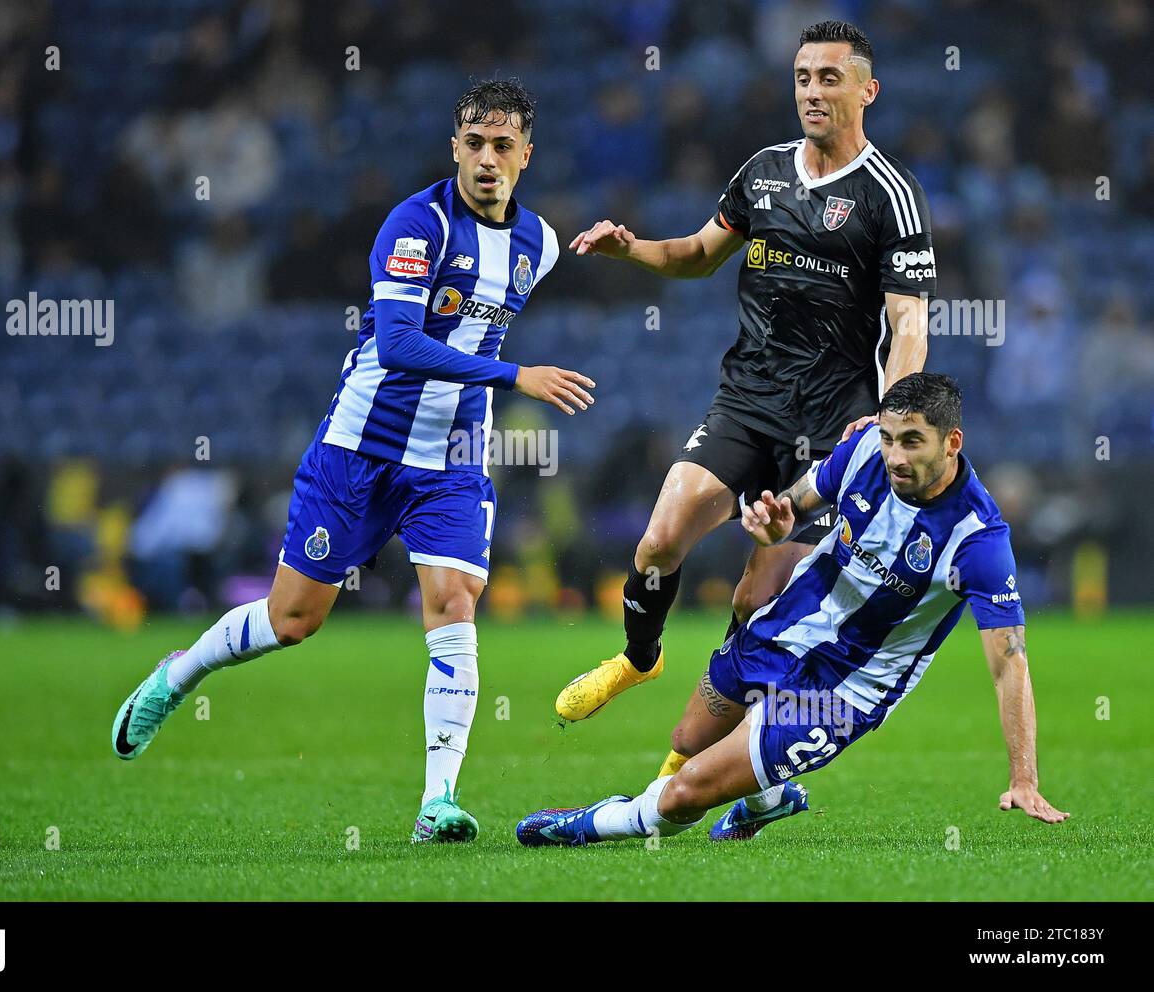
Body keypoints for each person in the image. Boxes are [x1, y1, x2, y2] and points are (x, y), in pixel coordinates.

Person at [112, 78, 596, 844]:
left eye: (503, 145)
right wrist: (517, 377)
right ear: (455, 147)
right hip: (359, 449)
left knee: (454, 604)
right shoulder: (415, 226)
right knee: (292, 620)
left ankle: (437, 802)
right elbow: (400, 347)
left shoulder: (537, 243)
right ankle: (182, 672)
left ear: (526, 155)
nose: (487, 159)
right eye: (474, 142)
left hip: (454, 457)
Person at [555, 22, 934, 768]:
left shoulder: (891, 195)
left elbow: (909, 324)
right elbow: (699, 253)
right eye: (802, 77)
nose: (813, 92)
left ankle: (696, 761)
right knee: (661, 537)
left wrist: (890, 428)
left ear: (868, 89)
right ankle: (639, 658)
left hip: (832, 427)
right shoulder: (762, 173)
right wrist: (633, 248)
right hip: (747, 403)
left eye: (830, 77)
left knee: (759, 600)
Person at [519, 373, 1069, 847]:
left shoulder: (979, 540)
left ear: (952, 442)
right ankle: (771, 796)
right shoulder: (861, 454)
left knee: (685, 793)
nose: (896, 456)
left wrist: (1024, 776)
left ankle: (586, 824)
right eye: (889, 438)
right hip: (785, 628)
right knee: (687, 742)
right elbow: (796, 504)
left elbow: (1009, 664)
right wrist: (777, 524)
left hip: (842, 691)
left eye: (912, 442)